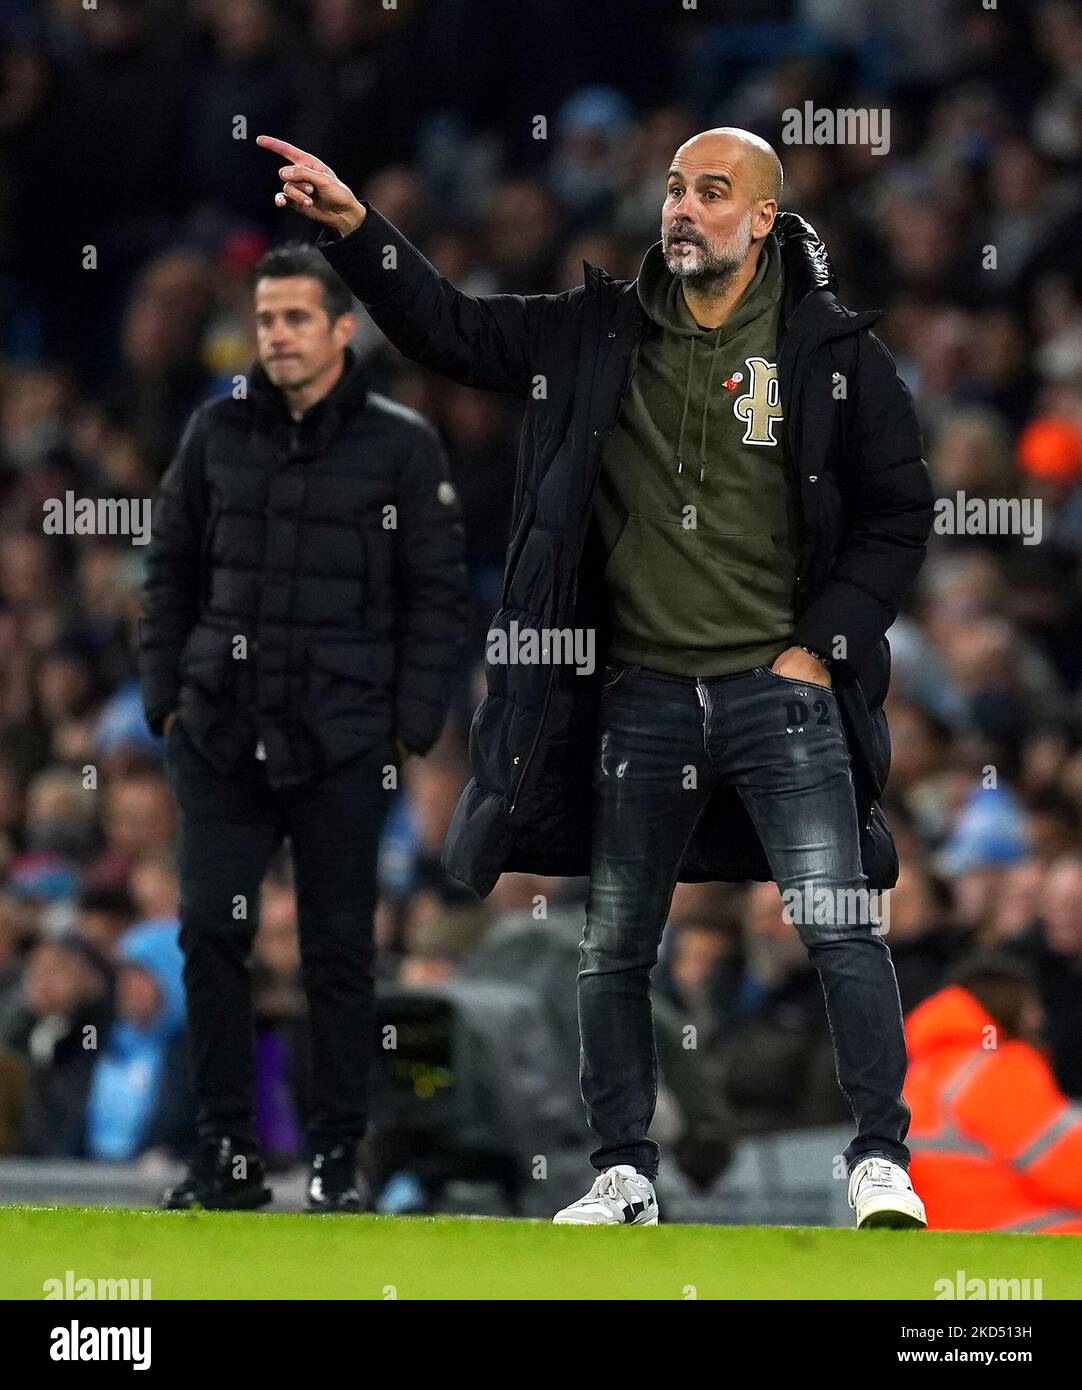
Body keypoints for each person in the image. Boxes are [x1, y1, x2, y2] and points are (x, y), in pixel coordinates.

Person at [259, 124, 933, 1227]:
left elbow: (900, 512)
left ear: (761, 217)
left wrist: (821, 649)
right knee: (613, 941)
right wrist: (356, 233)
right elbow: (454, 332)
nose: (681, 206)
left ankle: (878, 1161)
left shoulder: (831, 352)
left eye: (711, 191)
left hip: (783, 693)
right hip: (643, 695)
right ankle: (621, 1170)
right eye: (672, 186)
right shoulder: (594, 331)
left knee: (836, 922)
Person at [139, 242, 467, 1211]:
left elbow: (436, 596)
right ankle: (227, 1154)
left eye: (293, 318)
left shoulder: (401, 445)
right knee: (209, 934)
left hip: (340, 739)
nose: (273, 335)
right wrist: (165, 697)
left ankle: (336, 1157)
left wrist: (409, 723)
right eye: (263, 318)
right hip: (219, 734)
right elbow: (168, 572)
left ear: (338, 328)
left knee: (337, 951)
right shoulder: (213, 430)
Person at [905, 954, 1082, 1232]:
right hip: (1033, 1248)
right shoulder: (996, 1070)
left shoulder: (919, 1078)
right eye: (1032, 1005)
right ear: (1010, 1006)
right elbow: (1066, 1162)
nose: (1039, 1018)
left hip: (954, 1255)